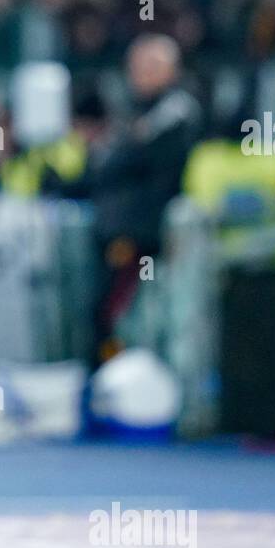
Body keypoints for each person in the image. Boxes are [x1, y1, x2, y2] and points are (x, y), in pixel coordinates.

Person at [88, 34, 200, 365]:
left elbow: (127, 158)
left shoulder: (174, 110)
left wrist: (113, 157)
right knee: (109, 312)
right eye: (136, 68)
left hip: (144, 234)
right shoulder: (134, 113)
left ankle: (123, 381)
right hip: (116, 230)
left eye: (151, 67)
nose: (141, 75)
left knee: (121, 313)